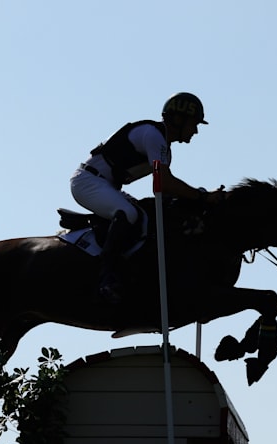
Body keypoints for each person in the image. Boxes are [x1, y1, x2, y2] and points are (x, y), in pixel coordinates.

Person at [71, 92, 226, 304]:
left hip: (105, 184)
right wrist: (202, 196)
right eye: (194, 124)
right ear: (178, 120)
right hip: (87, 182)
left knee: (144, 214)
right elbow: (165, 182)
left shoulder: (164, 147)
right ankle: (107, 276)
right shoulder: (153, 135)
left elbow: (165, 190)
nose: (196, 130)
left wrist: (200, 197)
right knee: (128, 213)